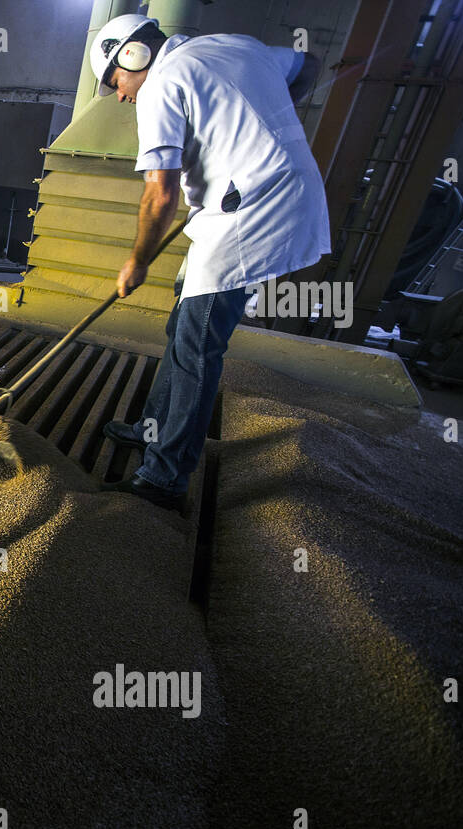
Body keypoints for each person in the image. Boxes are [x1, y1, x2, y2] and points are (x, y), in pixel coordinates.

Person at [89, 14, 328, 510]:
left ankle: (165, 478)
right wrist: (256, 128)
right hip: (259, 195)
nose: (119, 94)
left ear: (133, 57)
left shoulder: (161, 84)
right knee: (184, 324)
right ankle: (151, 427)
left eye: (117, 81)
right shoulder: (236, 42)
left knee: (197, 346)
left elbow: (161, 193)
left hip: (252, 211)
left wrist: (138, 260)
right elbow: (310, 65)